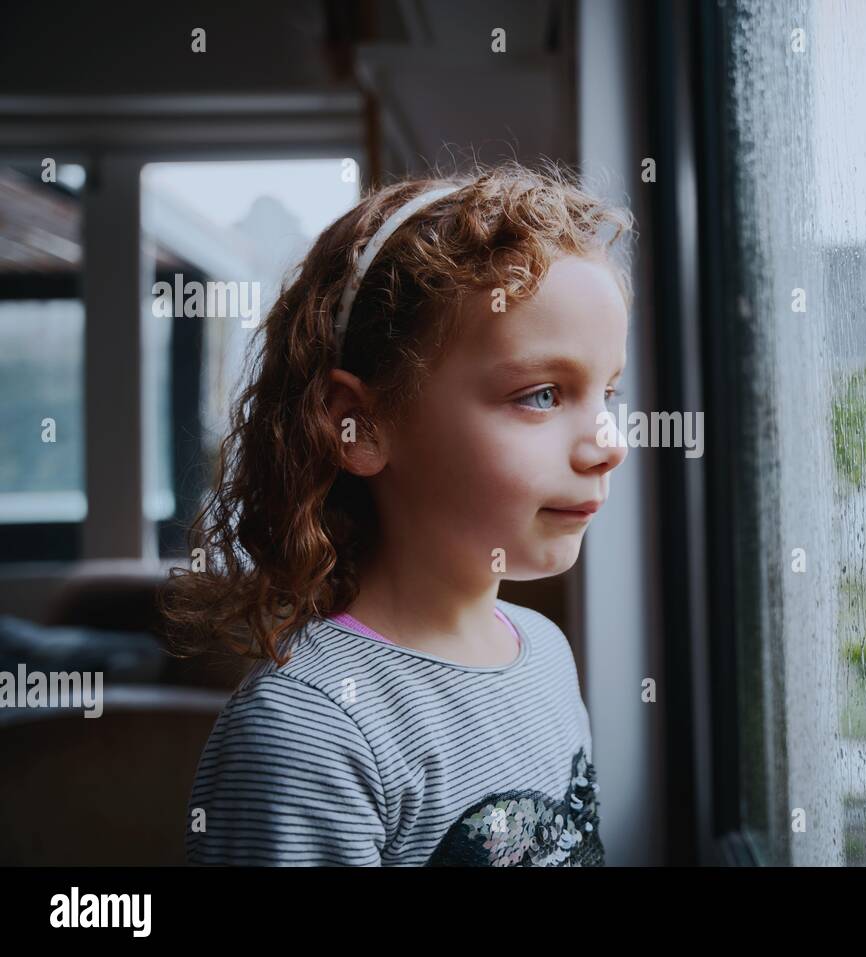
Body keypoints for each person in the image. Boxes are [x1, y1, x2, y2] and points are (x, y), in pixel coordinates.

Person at [162, 160, 634, 865]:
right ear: (361, 424)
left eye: (608, 394)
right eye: (540, 394)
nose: (609, 445)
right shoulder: (309, 728)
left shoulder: (546, 655)